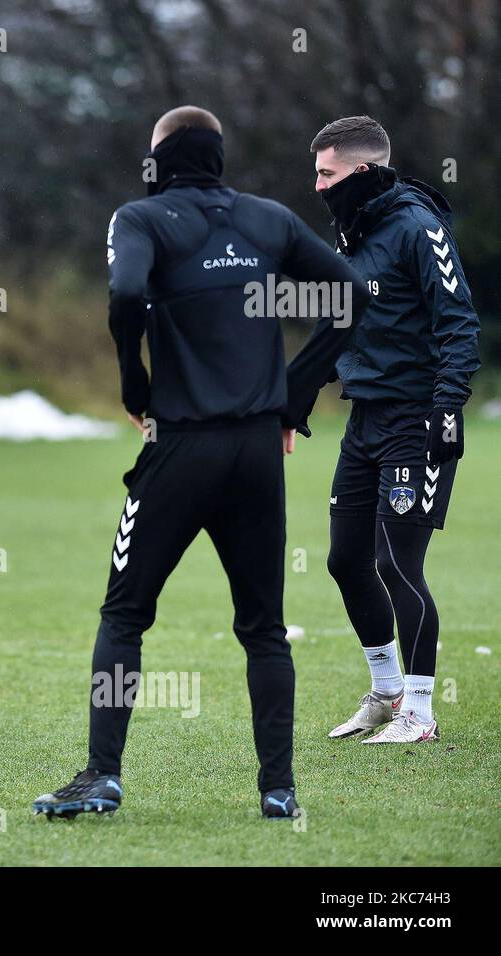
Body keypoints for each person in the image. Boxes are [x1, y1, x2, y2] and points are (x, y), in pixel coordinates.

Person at [32, 106, 369, 820]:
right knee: (264, 629)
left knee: (124, 613)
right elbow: (351, 294)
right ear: (218, 156)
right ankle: (279, 790)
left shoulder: (142, 219)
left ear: (159, 160)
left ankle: (103, 774)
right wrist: (291, 395)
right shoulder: (269, 219)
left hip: (180, 447)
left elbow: (125, 294)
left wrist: (134, 384)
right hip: (255, 454)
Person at [307, 116, 479, 744]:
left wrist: (447, 408)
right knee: (344, 559)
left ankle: (421, 713)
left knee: (396, 562)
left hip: (418, 419)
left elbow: (459, 323)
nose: (318, 185)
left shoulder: (419, 227)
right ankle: (385, 693)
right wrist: (295, 403)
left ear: (361, 170)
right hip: (366, 418)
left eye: (326, 173)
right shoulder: (353, 234)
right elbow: (341, 327)